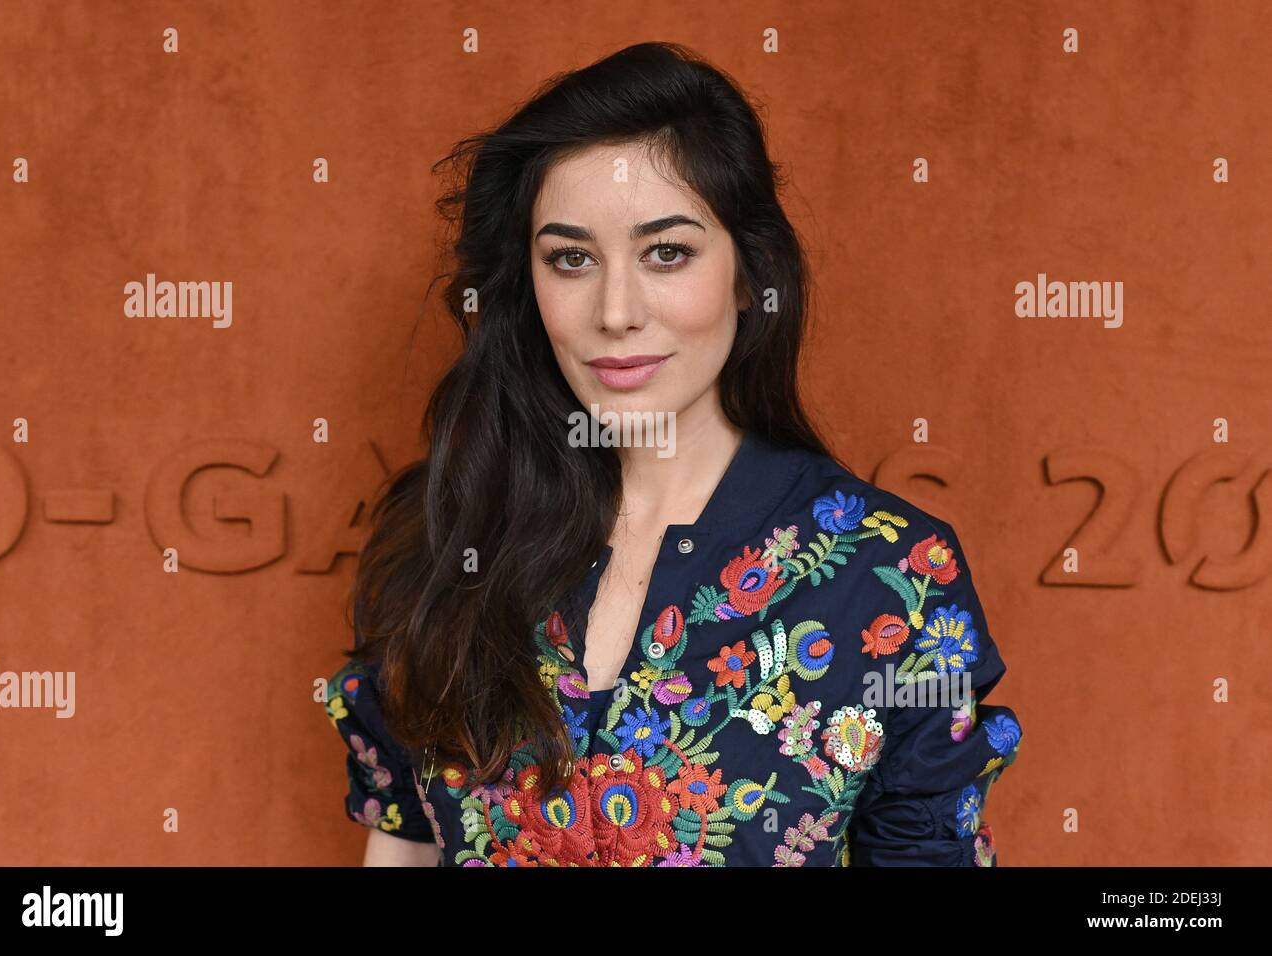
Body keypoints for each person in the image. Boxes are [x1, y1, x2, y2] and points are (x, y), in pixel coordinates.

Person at [323, 41, 1022, 867]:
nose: (616, 311)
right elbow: (402, 845)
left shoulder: (893, 578)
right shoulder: (447, 536)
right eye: (571, 258)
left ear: (748, 271)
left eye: (667, 253)